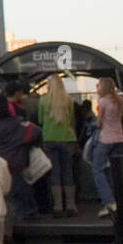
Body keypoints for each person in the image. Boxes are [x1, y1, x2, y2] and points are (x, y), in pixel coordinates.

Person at [0, 92, 42, 228]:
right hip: (16, 162)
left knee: (2, 194)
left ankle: (7, 223)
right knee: (21, 188)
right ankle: (28, 213)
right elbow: (37, 131)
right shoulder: (18, 122)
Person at [39, 75, 78, 216]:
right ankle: (71, 205)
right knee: (68, 171)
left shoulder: (43, 100)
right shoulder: (68, 100)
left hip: (49, 138)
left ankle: (57, 206)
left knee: (55, 172)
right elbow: (72, 120)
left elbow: (40, 120)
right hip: (67, 138)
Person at [92, 77, 123, 216]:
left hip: (105, 140)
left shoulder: (103, 102)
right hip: (119, 138)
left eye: (99, 86)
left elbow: (99, 123)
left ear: (104, 87)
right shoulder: (120, 100)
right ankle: (116, 201)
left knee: (97, 170)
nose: (97, 88)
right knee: (112, 171)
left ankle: (109, 201)